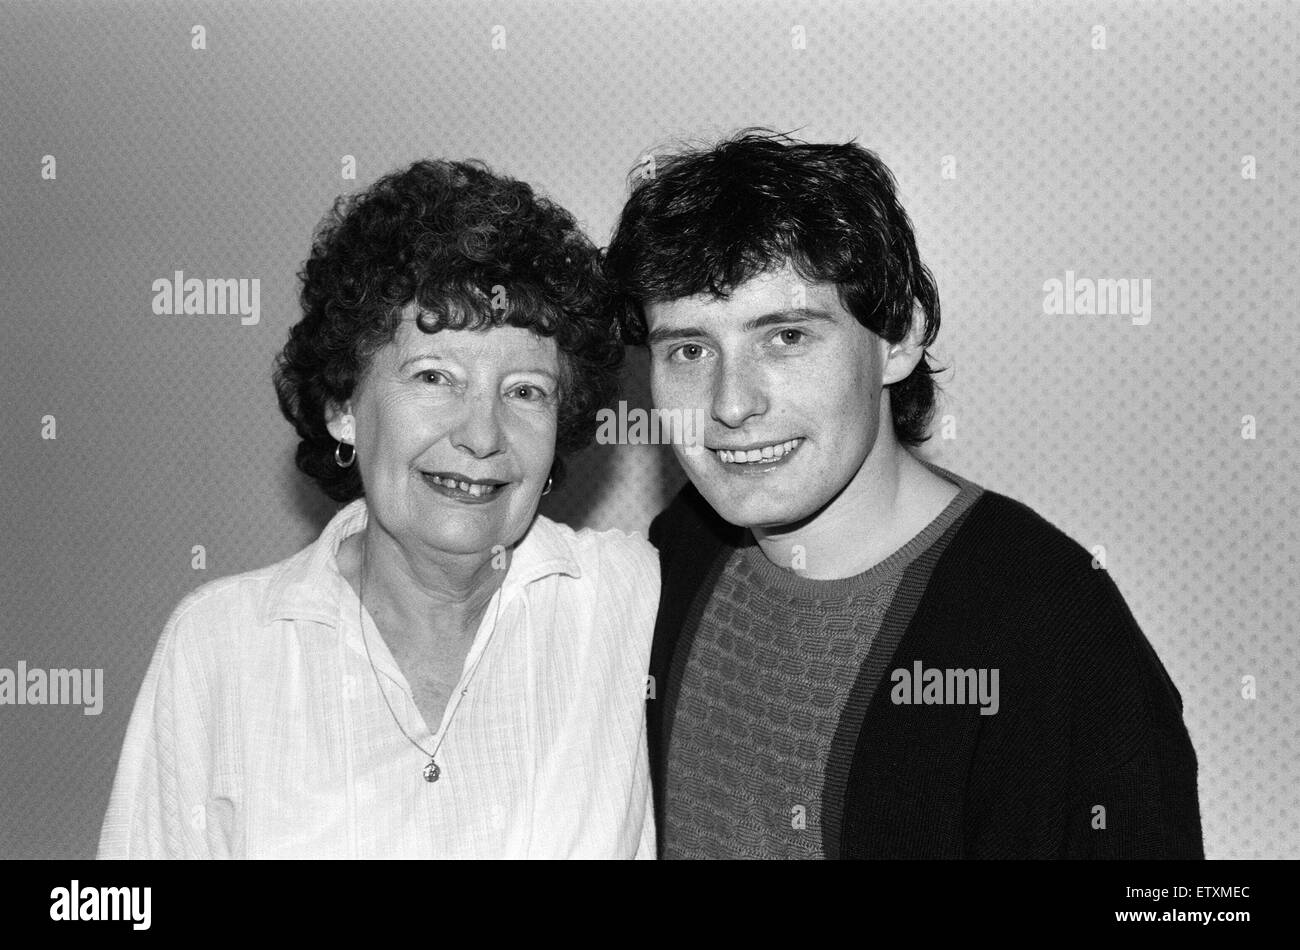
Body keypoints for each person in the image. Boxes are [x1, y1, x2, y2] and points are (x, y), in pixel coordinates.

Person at [604, 129, 1203, 859]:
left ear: (899, 338)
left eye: (786, 337)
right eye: (690, 350)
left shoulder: (1052, 634)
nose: (730, 404)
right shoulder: (686, 546)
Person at [99, 159, 657, 858]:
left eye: (525, 391)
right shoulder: (219, 648)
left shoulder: (633, 607)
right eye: (434, 377)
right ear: (342, 408)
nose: (481, 436)